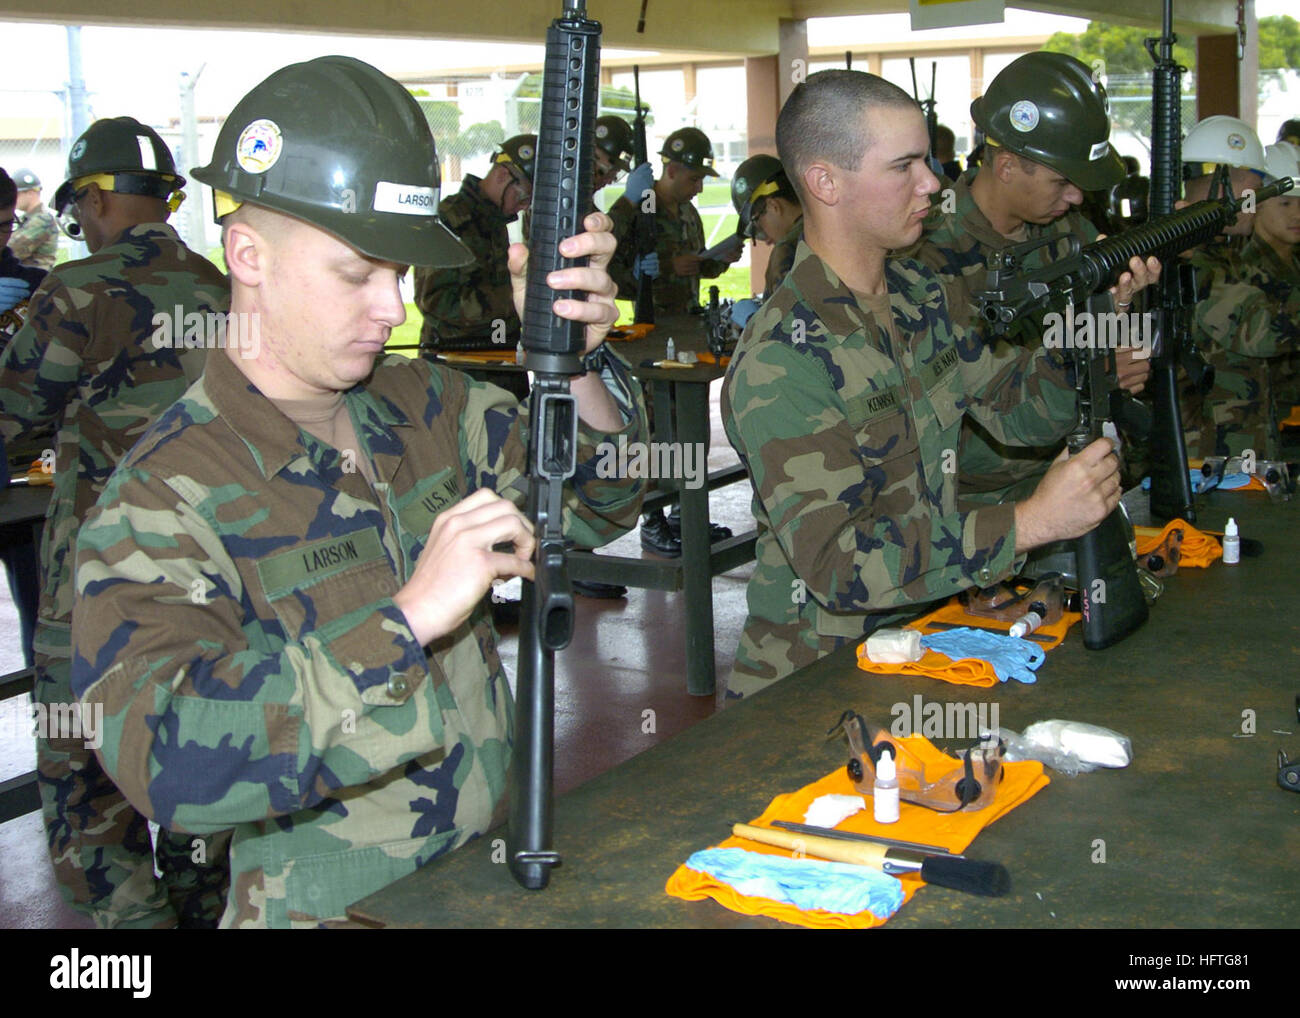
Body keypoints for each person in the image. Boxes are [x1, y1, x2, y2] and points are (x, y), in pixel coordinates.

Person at [70, 56, 645, 929]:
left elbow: (603, 502)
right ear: (247, 254)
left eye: (402, 277)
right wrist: (408, 620)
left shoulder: (424, 406)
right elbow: (169, 764)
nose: (391, 308)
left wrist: (579, 359)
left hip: (486, 887)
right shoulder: (163, 495)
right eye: (358, 273)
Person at [721, 70, 1150, 697]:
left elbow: (1017, 411)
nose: (932, 184)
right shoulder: (783, 360)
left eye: (927, 159)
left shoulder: (920, 297)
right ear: (824, 182)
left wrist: (1091, 324)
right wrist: (1028, 523)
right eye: (905, 166)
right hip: (816, 683)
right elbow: (841, 566)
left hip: (925, 641)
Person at [0, 118, 232, 927]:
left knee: (87, 784)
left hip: (97, 581)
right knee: (207, 751)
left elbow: (12, 411)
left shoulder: (76, 290)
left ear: (94, 199)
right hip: (215, 573)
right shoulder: (223, 287)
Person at [914, 51, 1150, 507]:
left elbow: (1095, 328)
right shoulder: (927, 251)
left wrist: (1120, 320)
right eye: (1062, 181)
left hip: (1073, 473)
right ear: (1006, 167)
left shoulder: (1067, 231)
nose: (1077, 195)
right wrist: (1098, 366)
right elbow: (987, 394)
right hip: (970, 506)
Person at [609, 127, 742, 556]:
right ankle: (653, 517)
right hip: (652, 334)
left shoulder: (688, 214)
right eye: (693, 178)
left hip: (686, 327)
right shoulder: (643, 210)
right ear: (669, 170)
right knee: (655, 428)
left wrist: (714, 262)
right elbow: (613, 267)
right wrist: (664, 265)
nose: (699, 187)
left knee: (691, 427)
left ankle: (687, 511)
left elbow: (694, 266)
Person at [1179, 118, 1298, 460]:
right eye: (1256, 187)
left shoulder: (1222, 253)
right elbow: (1262, 330)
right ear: (1229, 185)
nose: (1258, 201)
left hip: (1236, 448)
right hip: (1208, 455)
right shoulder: (1190, 257)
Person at [413, 133, 536, 372]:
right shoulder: (451, 219)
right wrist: (516, 296)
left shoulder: (492, 220)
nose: (523, 208)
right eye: (523, 197)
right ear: (502, 175)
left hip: (499, 360)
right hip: (457, 370)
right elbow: (436, 302)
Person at [730, 153, 803, 298]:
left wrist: (751, 318)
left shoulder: (787, 250)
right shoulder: (831, 225)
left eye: (758, 224)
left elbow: (782, 319)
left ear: (773, 206)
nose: (767, 240)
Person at [8, 168, 60, 270]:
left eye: (16, 194)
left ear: (31, 193)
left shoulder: (41, 220)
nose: (13, 198)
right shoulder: (28, 218)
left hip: (35, 282)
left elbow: (12, 251)